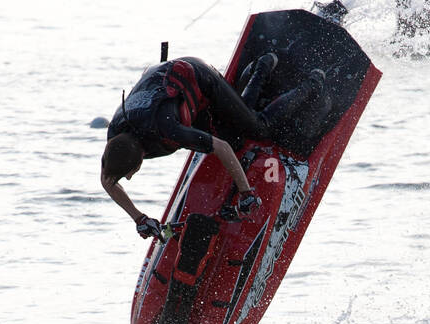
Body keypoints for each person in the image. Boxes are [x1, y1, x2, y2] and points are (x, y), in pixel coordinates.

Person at [100, 55, 324, 239]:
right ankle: (258, 78)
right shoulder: (115, 140)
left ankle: (306, 80)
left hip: (200, 76)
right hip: (171, 91)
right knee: (237, 140)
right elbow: (107, 181)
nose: (128, 179)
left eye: (129, 174)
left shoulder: (169, 130)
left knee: (256, 129)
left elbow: (221, 147)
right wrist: (139, 219)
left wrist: (247, 193)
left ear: (139, 159)